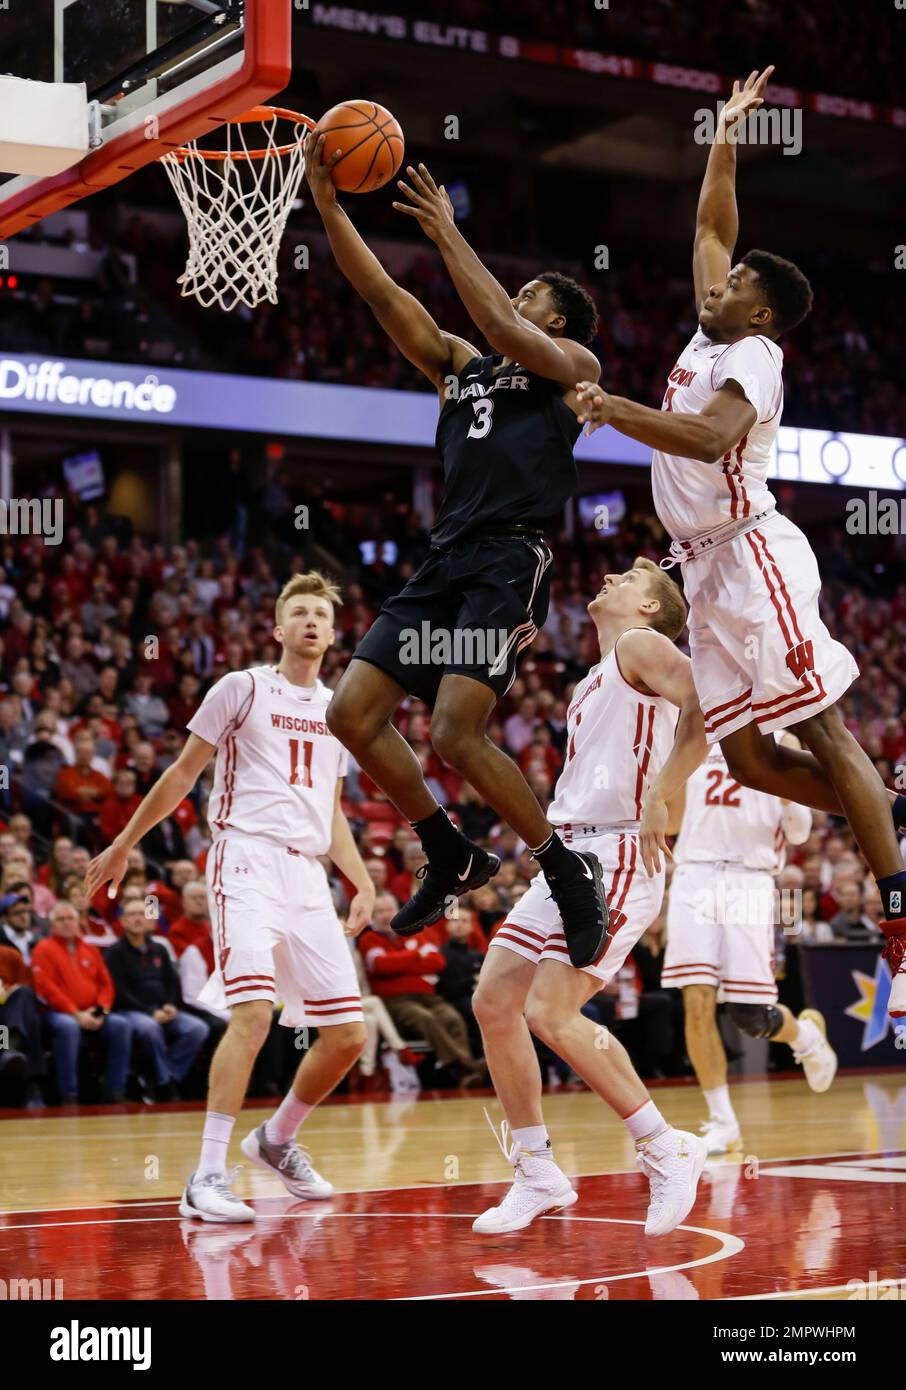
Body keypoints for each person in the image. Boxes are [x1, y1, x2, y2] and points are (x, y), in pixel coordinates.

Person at [575, 68, 906, 1019]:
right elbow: (711, 229)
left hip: (752, 552)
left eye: (735, 289)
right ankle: (887, 812)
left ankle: (898, 911)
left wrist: (614, 407)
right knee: (752, 761)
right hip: (705, 567)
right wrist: (725, 135)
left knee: (821, 729)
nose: (714, 286)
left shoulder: (754, 355)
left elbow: (712, 438)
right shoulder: (713, 326)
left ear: (759, 312)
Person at [303, 133, 610, 972]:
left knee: (454, 732)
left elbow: (499, 319)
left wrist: (447, 231)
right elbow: (382, 294)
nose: (517, 298)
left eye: (531, 294)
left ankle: (563, 866)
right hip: (444, 559)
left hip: (508, 561)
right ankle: (451, 851)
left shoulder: (569, 368)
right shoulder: (460, 368)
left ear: (559, 319)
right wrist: (328, 206)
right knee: (351, 714)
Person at [87, 572, 372, 1222]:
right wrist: (129, 841)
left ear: (332, 633)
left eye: (320, 615)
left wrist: (363, 879)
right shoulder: (241, 688)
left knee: (349, 1034)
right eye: (297, 612)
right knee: (253, 1016)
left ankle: (275, 1140)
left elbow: (331, 817)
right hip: (244, 858)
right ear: (277, 628)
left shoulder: (339, 712)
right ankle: (206, 1176)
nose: (309, 622)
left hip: (306, 874)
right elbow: (183, 771)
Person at [471, 559, 710, 1236]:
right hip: (571, 856)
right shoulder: (590, 680)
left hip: (622, 849)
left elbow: (706, 703)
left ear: (652, 609)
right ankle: (538, 1169)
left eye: (632, 577)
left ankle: (665, 1148)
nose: (611, 577)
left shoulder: (641, 647)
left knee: (549, 1011)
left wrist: (665, 792)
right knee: (494, 1002)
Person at [662, 736, 837, 1155]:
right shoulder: (694, 733)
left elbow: (798, 833)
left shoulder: (784, 738)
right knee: (696, 999)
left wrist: (788, 795)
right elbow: (673, 823)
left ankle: (806, 1037)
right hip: (695, 875)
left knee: (750, 1016)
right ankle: (723, 1122)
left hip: (749, 878)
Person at [358, 891, 487, 1087]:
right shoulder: (369, 939)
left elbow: (437, 962)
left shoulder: (413, 931)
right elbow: (380, 966)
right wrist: (416, 955)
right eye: (380, 911)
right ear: (372, 916)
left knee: (452, 1018)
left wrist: (401, 962)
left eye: (389, 909)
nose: (385, 915)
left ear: (398, 911)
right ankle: (468, 1068)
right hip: (395, 1001)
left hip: (428, 996)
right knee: (425, 1019)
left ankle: (463, 1074)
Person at [106, 898, 210, 1101]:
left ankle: (166, 1076)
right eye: (131, 915)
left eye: (142, 914)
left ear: (150, 920)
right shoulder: (114, 953)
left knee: (197, 1029)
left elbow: (173, 983)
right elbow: (118, 991)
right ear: (123, 921)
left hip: (163, 1009)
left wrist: (170, 1005)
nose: (137, 919)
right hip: (132, 1011)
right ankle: (166, 1085)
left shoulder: (159, 949)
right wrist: (150, 1012)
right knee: (149, 1028)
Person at [30, 900, 132, 1104]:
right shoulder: (43, 949)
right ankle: (69, 1094)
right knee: (68, 1028)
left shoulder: (90, 948)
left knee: (121, 1025)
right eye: (61, 919)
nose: (67, 923)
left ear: (78, 922)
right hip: (57, 1013)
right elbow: (46, 988)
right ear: (51, 926)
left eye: (70, 918)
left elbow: (106, 984)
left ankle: (115, 1091)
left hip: (92, 1012)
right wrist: (75, 1013)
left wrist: (101, 1011)